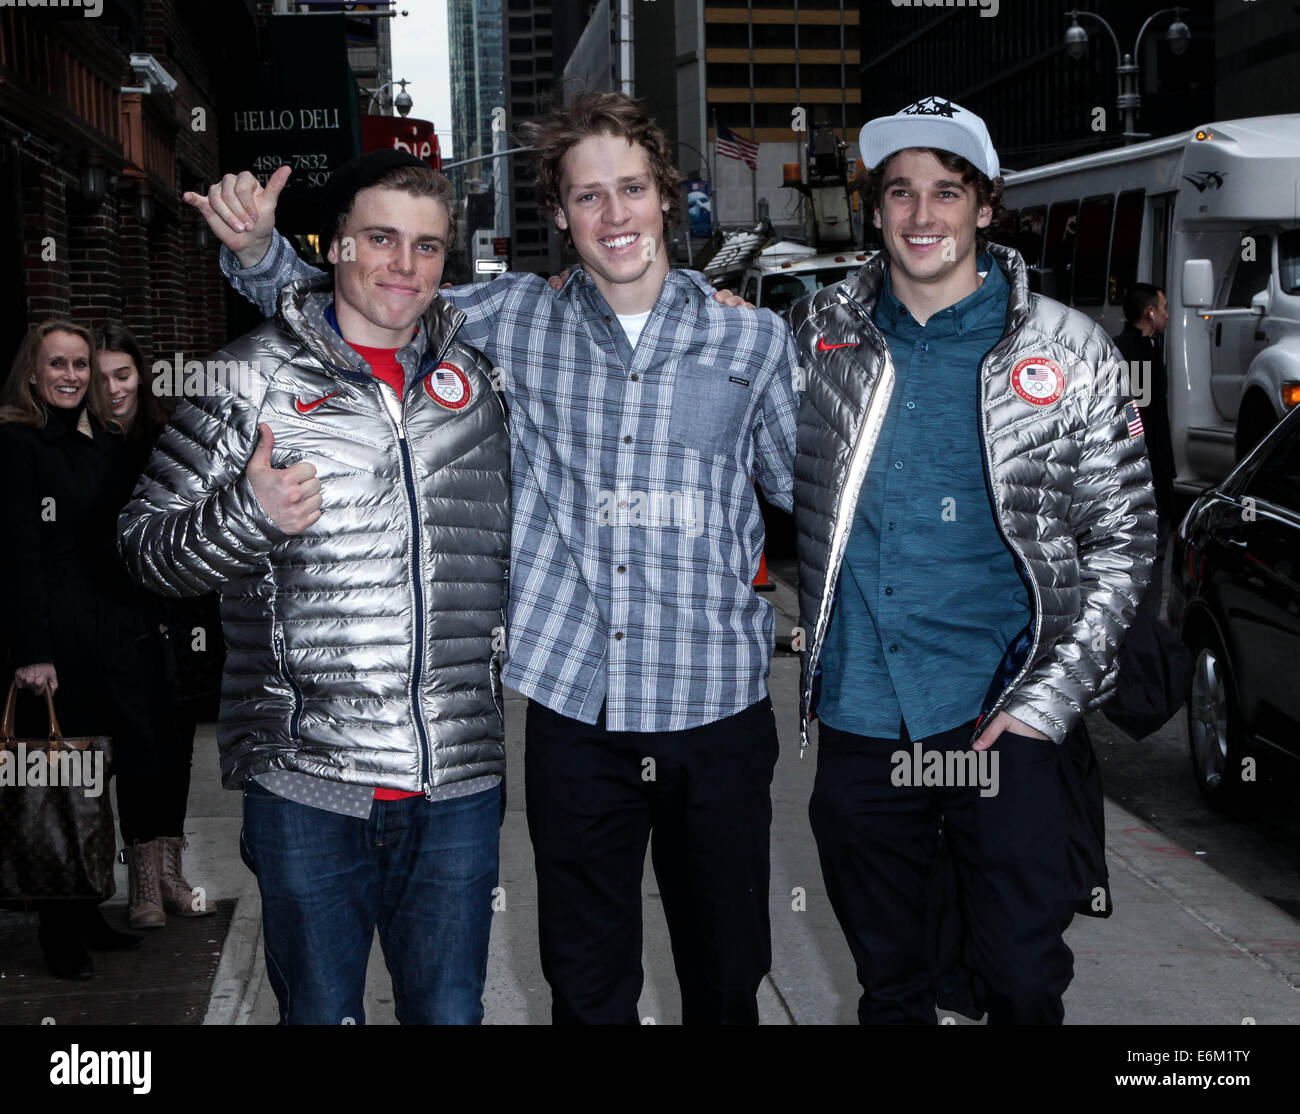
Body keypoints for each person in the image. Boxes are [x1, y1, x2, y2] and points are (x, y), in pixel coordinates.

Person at [202, 91, 801, 1025]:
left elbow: (812, 493)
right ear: (560, 215)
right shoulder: (512, 320)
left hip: (715, 701)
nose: (616, 216)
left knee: (726, 976)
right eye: (589, 197)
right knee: (584, 976)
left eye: (632, 189)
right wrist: (254, 251)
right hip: (576, 707)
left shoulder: (753, 338)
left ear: (664, 196)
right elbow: (368, 300)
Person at [118, 151, 511, 1024]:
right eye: (380, 239)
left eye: (427, 247)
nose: (404, 267)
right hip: (308, 784)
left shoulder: (477, 386)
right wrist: (246, 515)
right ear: (334, 247)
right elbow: (145, 550)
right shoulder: (249, 377)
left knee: (449, 1015)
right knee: (323, 1014)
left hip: (457, 783)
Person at [789, 96, 1156, 1024]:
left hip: (1003, 718)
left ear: (986, 208)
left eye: (946, 192)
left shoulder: (1068, 349)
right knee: (893, 988)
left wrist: (1047, 705)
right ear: (874, 209)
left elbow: (1124, 541)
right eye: (900, 192)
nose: (922, 215)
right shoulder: (819, 338)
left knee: (1023, 985)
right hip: (865, 718)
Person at [0, 319, 144, 979]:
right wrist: (31, 651)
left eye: (80, 365)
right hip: (52, 647)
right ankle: (58, 931)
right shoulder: (19, 443)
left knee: (93, 779)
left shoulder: (101, 440)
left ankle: (86, 910)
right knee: (58, 783)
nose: (71, 376)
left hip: (105, 639)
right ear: (33, 372)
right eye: (57, 365)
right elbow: (18, 554)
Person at [94, 323, 211, 929]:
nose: (114, 387)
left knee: (178, 743)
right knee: (139, 747)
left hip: (177, 609)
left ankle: (169, 872)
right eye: (102, 374)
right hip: (118, 617)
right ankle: (141, 883)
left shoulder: (165, 438)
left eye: (123, 373)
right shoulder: (85, 443)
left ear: (140, 373)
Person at [1112, 283, 1176, 621]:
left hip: (1136, 475)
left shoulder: (1130, 348)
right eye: (1163, 307)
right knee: (1150, 557)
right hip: (1144, 476)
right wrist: (1162, 481)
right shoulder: (1137, 354)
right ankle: (1144, 630)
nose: (1167, 314)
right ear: (1149, 313)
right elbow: (1142, 423)